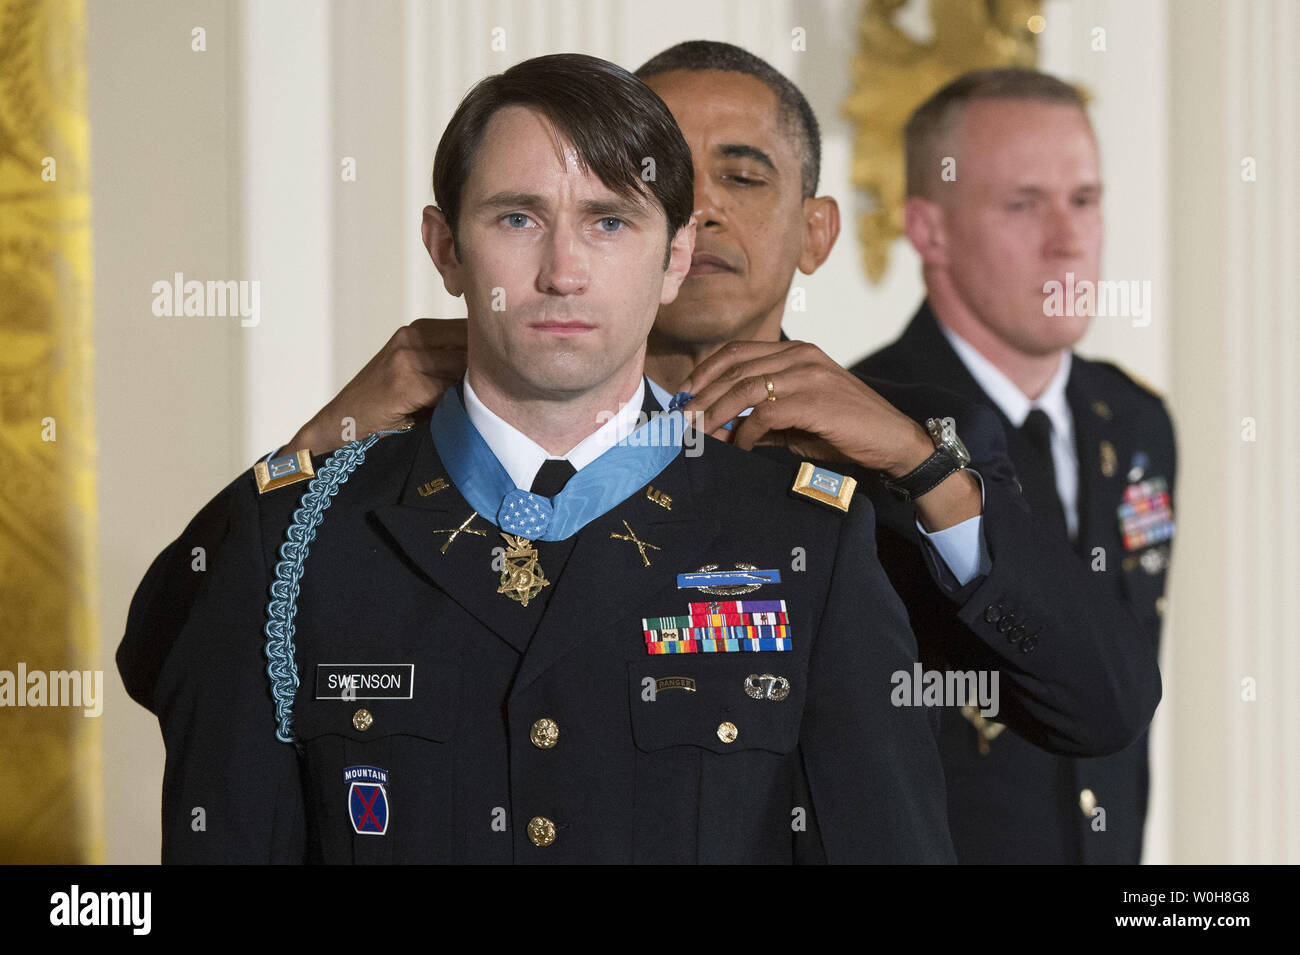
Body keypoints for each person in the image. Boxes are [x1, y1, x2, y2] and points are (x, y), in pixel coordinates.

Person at [119, 43, 1160, 860]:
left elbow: (1098, 701)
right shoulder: (409, 444)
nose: (700, 210)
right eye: (661, 167)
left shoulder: (885, 452)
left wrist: (921, 468)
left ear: (814, 232)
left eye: (741, 177)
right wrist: (325, 443)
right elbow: (180, 665)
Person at [851, 67, 1177, 864]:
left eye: (1085, 200)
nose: (1068, 238)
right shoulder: (865, 428)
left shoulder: (1133, 421)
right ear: (928, 230)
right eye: (1024, 204)